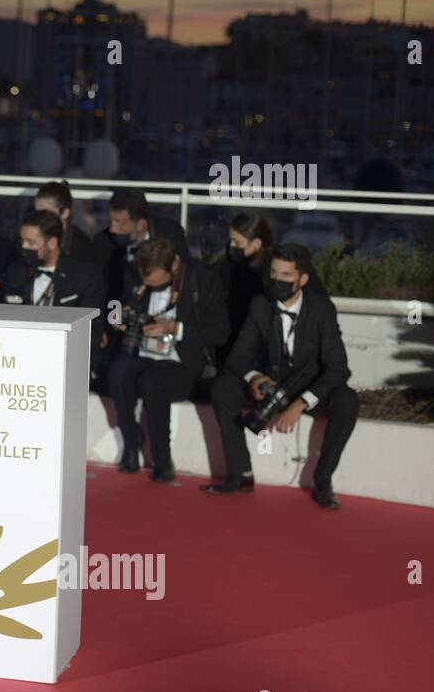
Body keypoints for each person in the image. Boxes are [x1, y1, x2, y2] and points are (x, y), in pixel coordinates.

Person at [203, 243, 357, 510]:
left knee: (347, 400)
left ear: (303, 279)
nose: (278, 281)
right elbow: (237, 359)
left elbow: (339, 368)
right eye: (274, 273)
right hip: (272, 386)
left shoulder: (322, 310)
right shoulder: (260, 305)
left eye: (286, 275)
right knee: (223, 386)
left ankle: (323, 481)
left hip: (308, 389)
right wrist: (254, 378)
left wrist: (301, 404)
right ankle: (240, 474)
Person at [107, 237, 228, 482]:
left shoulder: (202, 280)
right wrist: (117, 318)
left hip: (181, 360)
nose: (145, 282)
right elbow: (112, 304)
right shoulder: (135, 274)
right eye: (143, 276)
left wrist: (176, 327)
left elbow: (221, 332)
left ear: (173, 267)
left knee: (154, 382)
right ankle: (131, 444)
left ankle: (162, 460)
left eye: (152, 278)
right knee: (118, 371)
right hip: (140, 352)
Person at [3, 209, 106, 371]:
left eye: (31, 242)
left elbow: (92, 328)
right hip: (20, 358)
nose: (24, 247)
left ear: (51, 243)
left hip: (66, 359)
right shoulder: (15, 271)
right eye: (22, 241)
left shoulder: (84, 274)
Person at [93, 187, 191, 308]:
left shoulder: (171, 234)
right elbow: (101, 291)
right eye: (111, 221)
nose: (112, 229)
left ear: (141, 224)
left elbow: (186, 277)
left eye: (118, 222)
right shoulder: (103, 242)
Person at [209, 211, 273, 369]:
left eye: (237, 243)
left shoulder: (273, 271)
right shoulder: (224, 265)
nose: (231, 246)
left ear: (256, 244)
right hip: (227, 344)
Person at [31, 180, 100, 266]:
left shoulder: (82, 248)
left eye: (46, 213)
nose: (40, 218)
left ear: (65, 213)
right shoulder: (31, 239)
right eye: (37, 213)